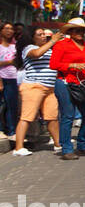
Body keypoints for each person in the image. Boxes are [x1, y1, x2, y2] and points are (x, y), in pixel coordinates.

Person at [49, 17, 85, 160]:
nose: (80, 33)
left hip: (81, 83)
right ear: (70, 31)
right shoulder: (61, 44)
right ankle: (66, 149)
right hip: (65, 83)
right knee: (68, 117)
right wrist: (71, 65)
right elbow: (53, 64)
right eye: (77, 30)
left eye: (82, 30)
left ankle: (83, 144)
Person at [12, 25, 60, 156]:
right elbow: (37, 54)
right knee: (27, 117)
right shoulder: (29, 48)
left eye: (44, 34)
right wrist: (52, 41)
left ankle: (58, 144)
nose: (44, 36)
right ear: (32, 37)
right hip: (34, 86)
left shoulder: (49, 48)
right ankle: (18, 148)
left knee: (52, 117)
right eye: (40, 34)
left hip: (49, 88)